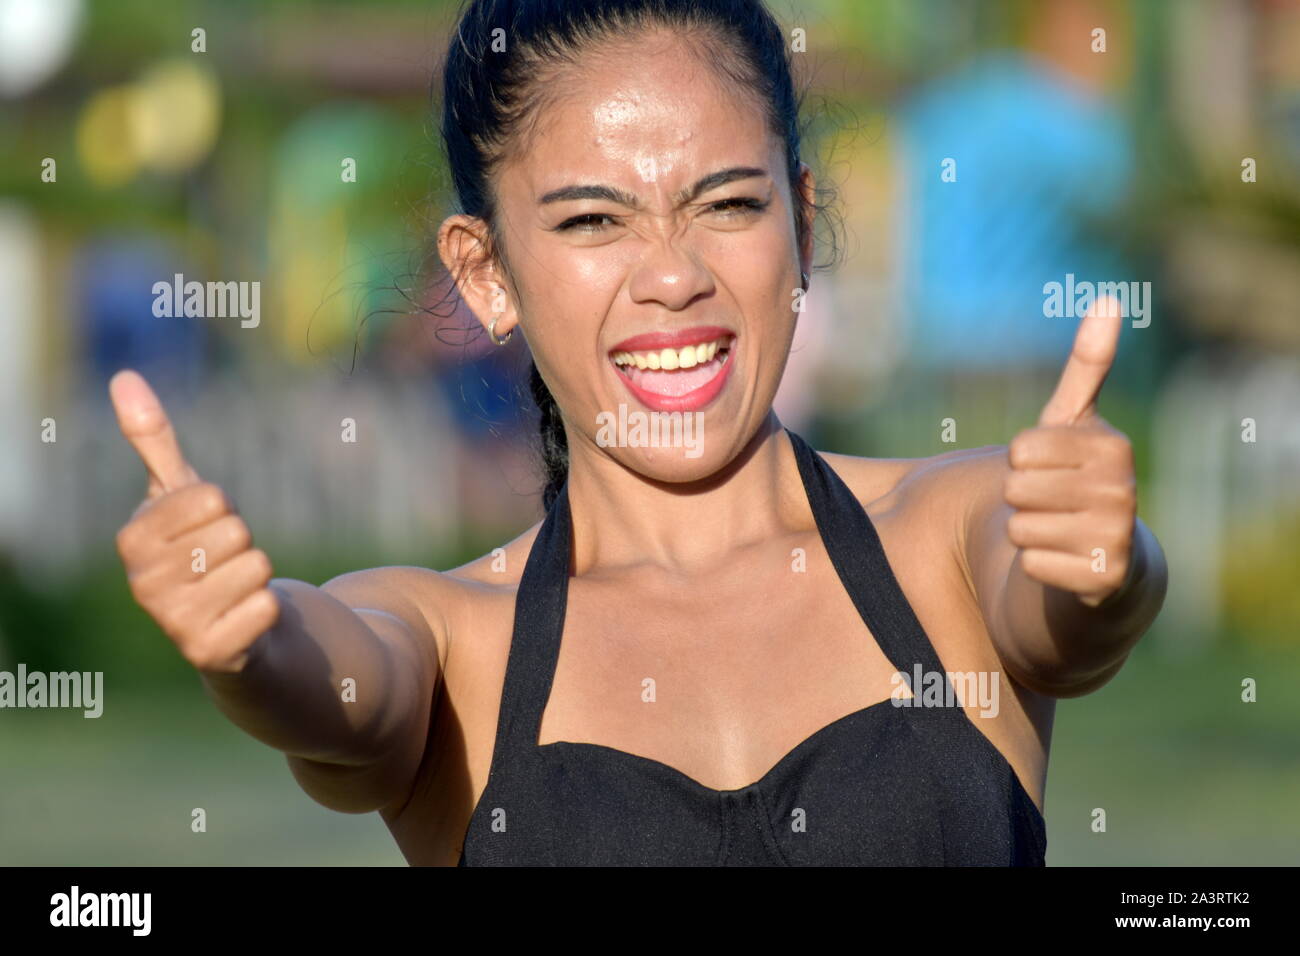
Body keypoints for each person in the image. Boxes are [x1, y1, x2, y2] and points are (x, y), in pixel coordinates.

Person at [111, 0, 1167, 866]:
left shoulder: (950, 533)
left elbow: (1066, 612)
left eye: (727, 206)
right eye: (590, 220)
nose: (672, 275)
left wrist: (1102, 565)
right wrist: (248, 645)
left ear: (801, 224)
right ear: (485, 275)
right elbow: (334, 685)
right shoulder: (455, 636)